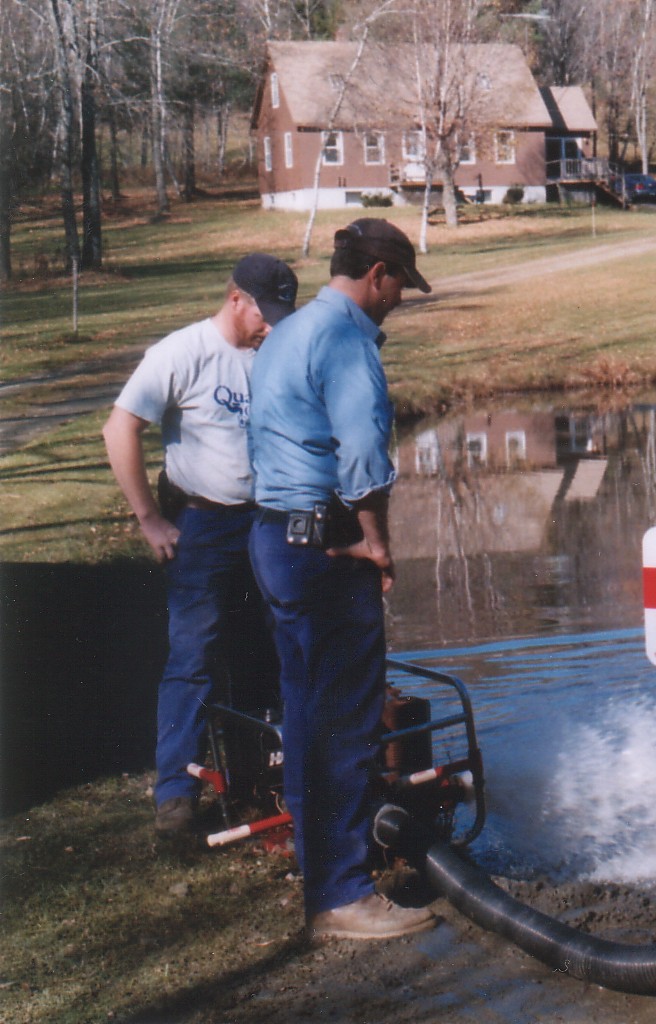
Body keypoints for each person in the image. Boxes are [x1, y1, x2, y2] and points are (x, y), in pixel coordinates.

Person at [247, 218, 434, 941]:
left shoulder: (286, 333)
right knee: (348, 721)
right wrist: (376, 546)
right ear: (378, 273)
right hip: (328, 548)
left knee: (304, 712)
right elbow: (361, 453)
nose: (396, 302)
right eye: (398, 289)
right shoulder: (348, 339)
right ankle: (342, 896)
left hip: (273, 537)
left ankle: (318, 863)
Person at [103, 253, 298, 834]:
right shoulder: (181, 353)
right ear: (236, 298)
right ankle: (176, 796)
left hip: (266, 521)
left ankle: (266, 775)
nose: (272, 325)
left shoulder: (273, 355)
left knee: (271, 643)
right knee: (194, 653)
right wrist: (149, 519)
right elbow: (120, 427)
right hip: (203, 525)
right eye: (265, 313)